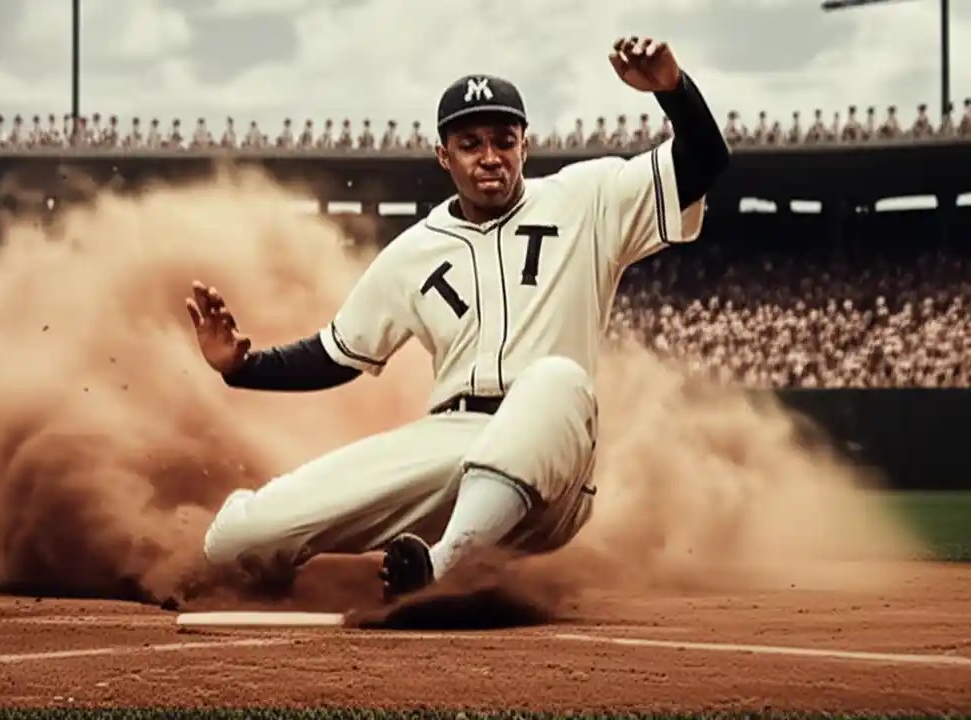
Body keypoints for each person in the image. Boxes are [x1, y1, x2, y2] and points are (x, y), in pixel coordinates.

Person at [185, 35, 730, 599]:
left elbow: (705, 162)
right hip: (451, 443)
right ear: (443, 156)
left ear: (526, 147)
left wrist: (673, 90)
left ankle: (441, 569)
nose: (490, 156)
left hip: (552, 453)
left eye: (504, 140)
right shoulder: (411, 253)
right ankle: (401, 561)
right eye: (470, 143)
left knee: (555, 376)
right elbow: (335, 353)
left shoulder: (588, 197)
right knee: (242, 538)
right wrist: (241, 368)